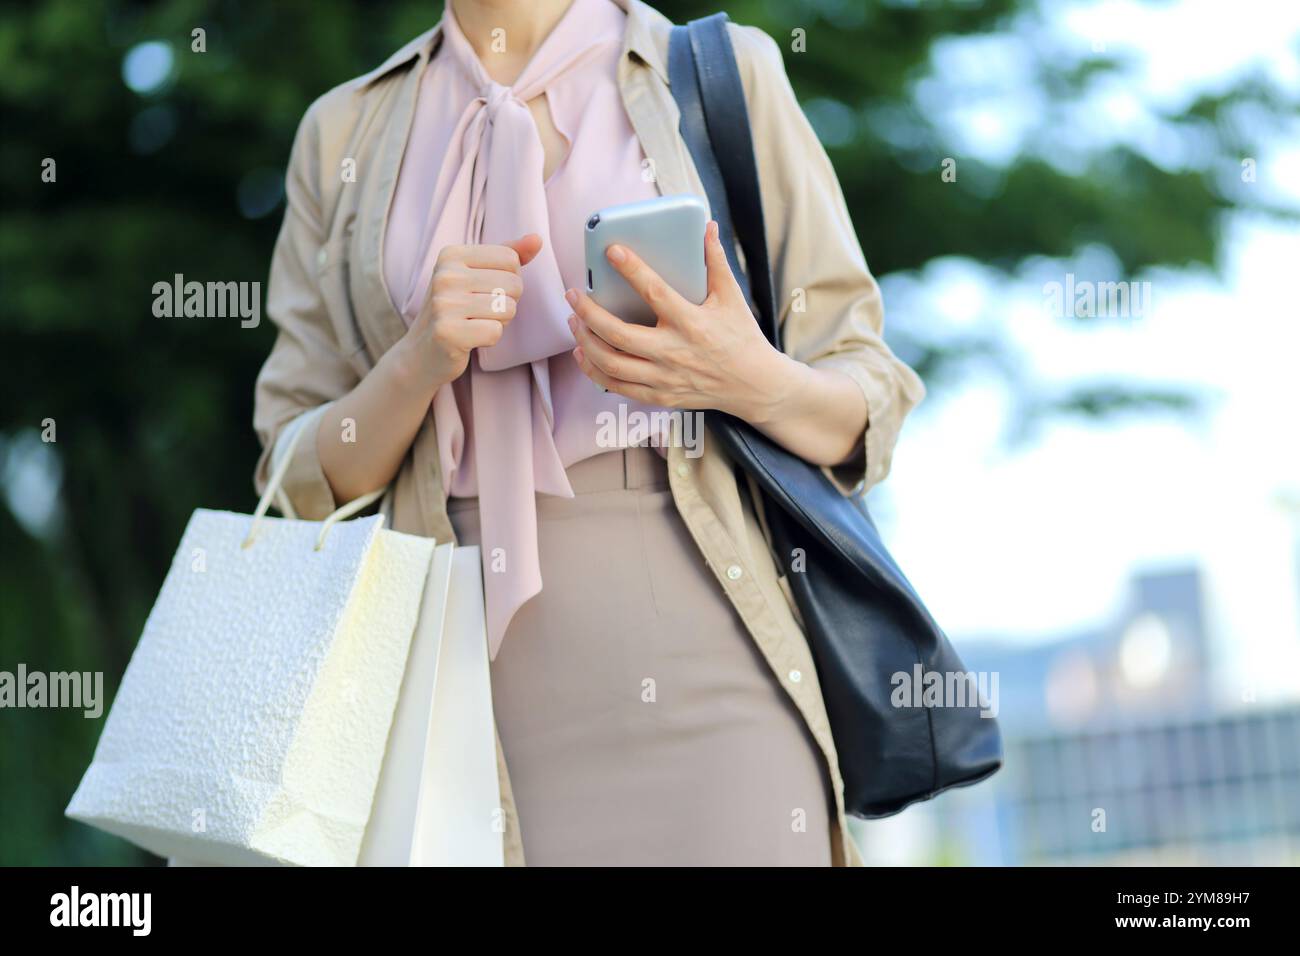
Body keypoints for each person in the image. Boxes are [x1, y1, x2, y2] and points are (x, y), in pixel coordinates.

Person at [253, 0, 924, 866]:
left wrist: (742, 375)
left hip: (711, 671)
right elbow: (294, 472)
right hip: (450, 708)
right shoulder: (341, 129)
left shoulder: (722, 73)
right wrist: (414, 363)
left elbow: (868, 400)